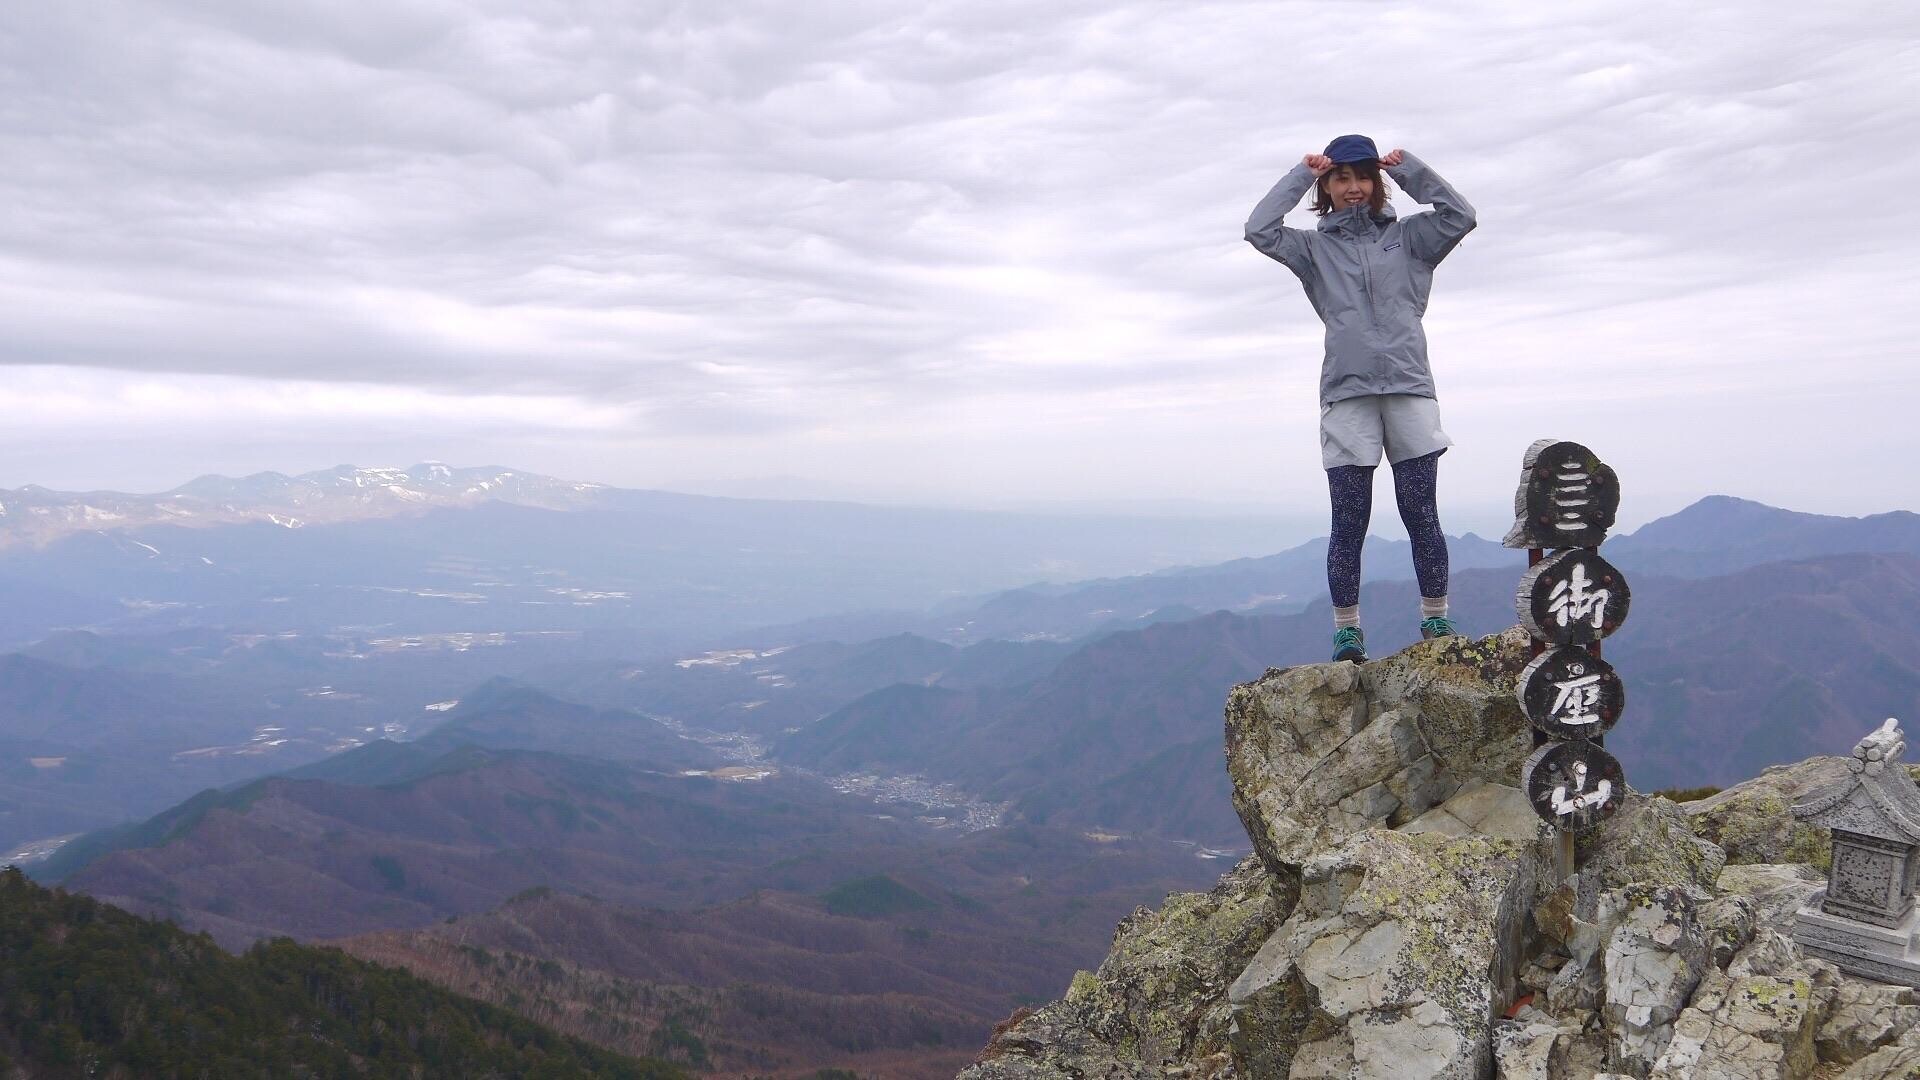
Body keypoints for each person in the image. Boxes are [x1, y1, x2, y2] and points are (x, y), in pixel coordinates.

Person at [1245, 134, 1476, 663]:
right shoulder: (1313, 248)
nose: (1353, 188)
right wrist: (1300, 173)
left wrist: (1411, 169)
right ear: (1327, 187)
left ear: (1378, 184)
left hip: (1409, 387)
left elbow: (1460, 216)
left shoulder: (1413, 239)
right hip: (1347, 395)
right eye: (1342, 178)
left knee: (1421, 512)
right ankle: (1347, 630)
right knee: (1349, 519)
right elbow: (1258, 230)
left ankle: (1436, 619)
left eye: (1363, 177)